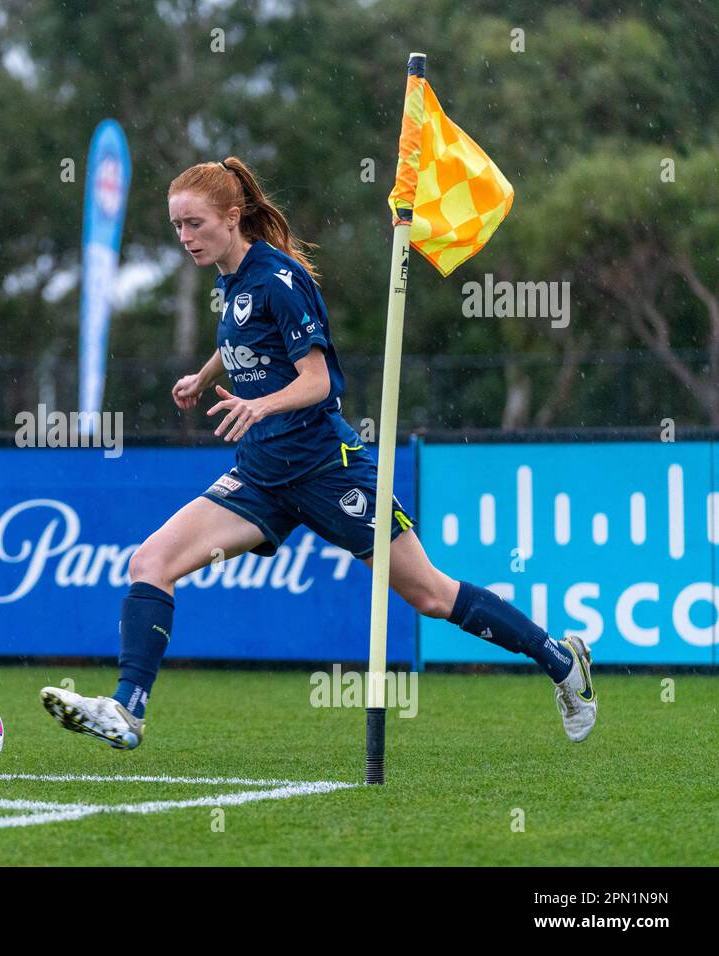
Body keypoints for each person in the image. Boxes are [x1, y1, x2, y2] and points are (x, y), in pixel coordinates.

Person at [40, 156, 596, 750]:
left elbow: (321, 380)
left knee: (430, 595)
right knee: (150, 563)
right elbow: (245, 341)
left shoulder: (279, 279)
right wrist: (203, 375)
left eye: (194, 223)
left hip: (328, 470)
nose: (184, 237)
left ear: (232, 218)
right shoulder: (229, 278)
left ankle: (560, 662)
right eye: (176, 225)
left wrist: (262, 405)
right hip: (260, 477)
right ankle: (128, 711)